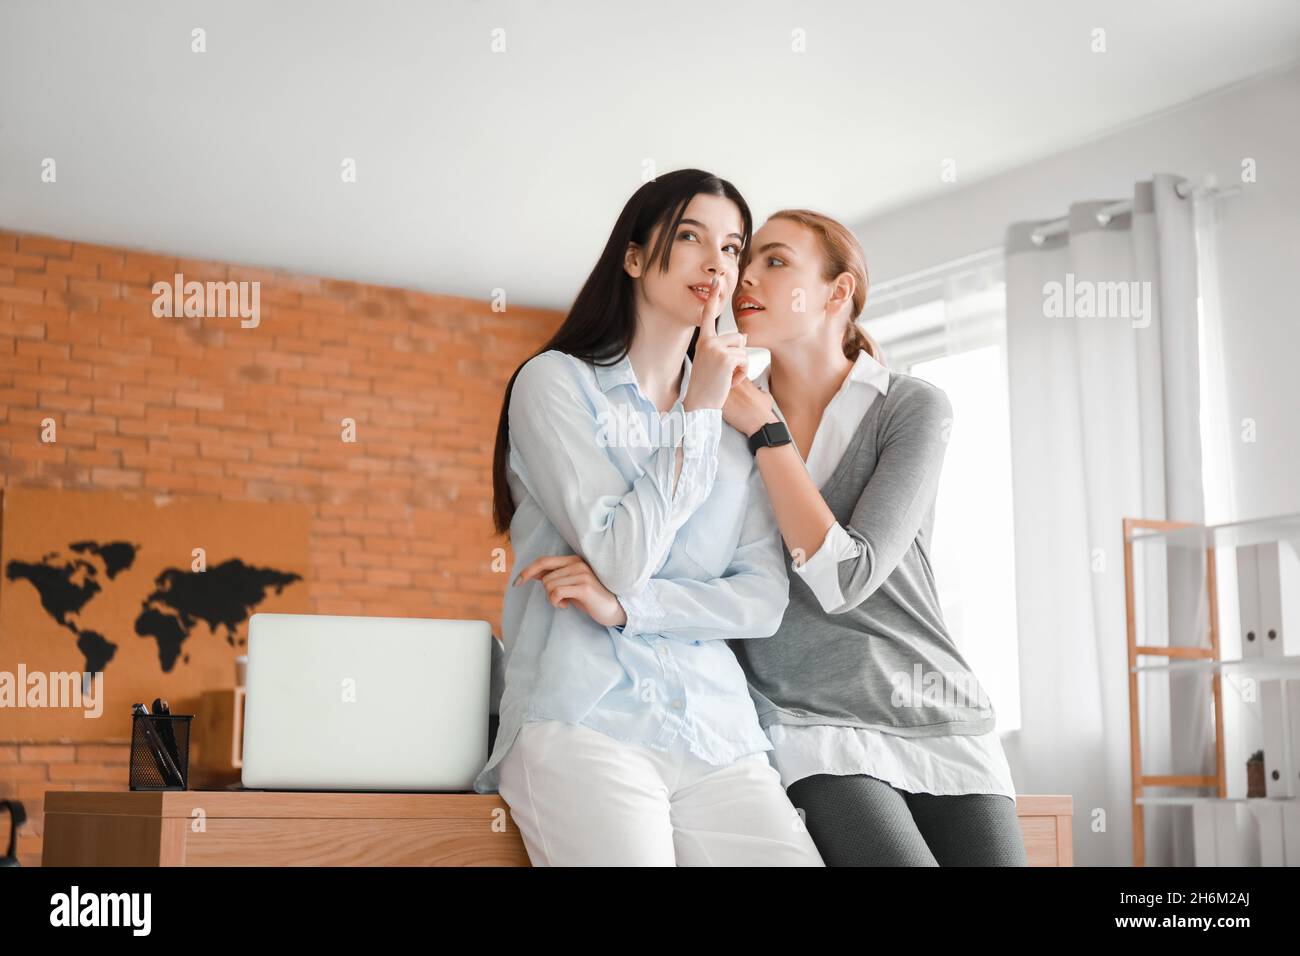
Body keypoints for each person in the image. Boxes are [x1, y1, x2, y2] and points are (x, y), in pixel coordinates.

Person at [474, 169, 824, 867]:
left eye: (732, 248)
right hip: (585, 719)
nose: (716, 263)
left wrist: (628, 609)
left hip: (718, 731)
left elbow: (760, 600)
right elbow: (621, 556)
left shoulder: (740, 415)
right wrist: (698, 410)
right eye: (690, 237)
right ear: (633, 258)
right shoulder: (555, 383)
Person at [720, 208, 1028, 866]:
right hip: (807, 717)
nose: (746, 276)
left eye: (775, 261)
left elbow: (847, 577)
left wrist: (767, 434)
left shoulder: (911, 407)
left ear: (838, 292)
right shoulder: (719, 417)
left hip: (935, 709)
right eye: (745, 261)